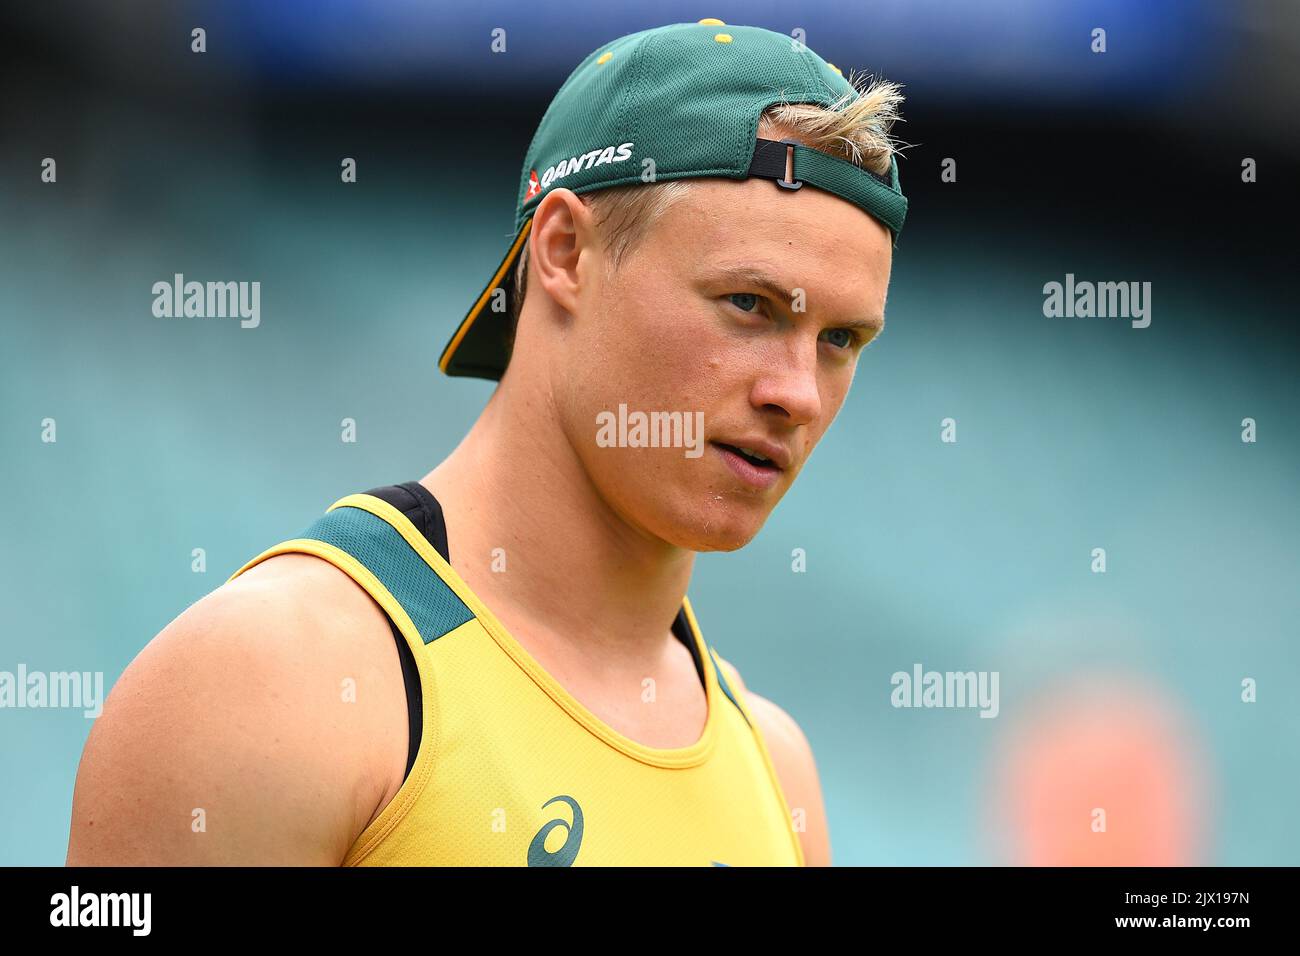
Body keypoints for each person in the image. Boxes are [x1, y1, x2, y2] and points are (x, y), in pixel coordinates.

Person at [66, 19, 907, 866]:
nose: (796, 394)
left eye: (841, 341)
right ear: (565, 252)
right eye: (749, 305)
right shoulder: (272, 681)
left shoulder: (776, 769)